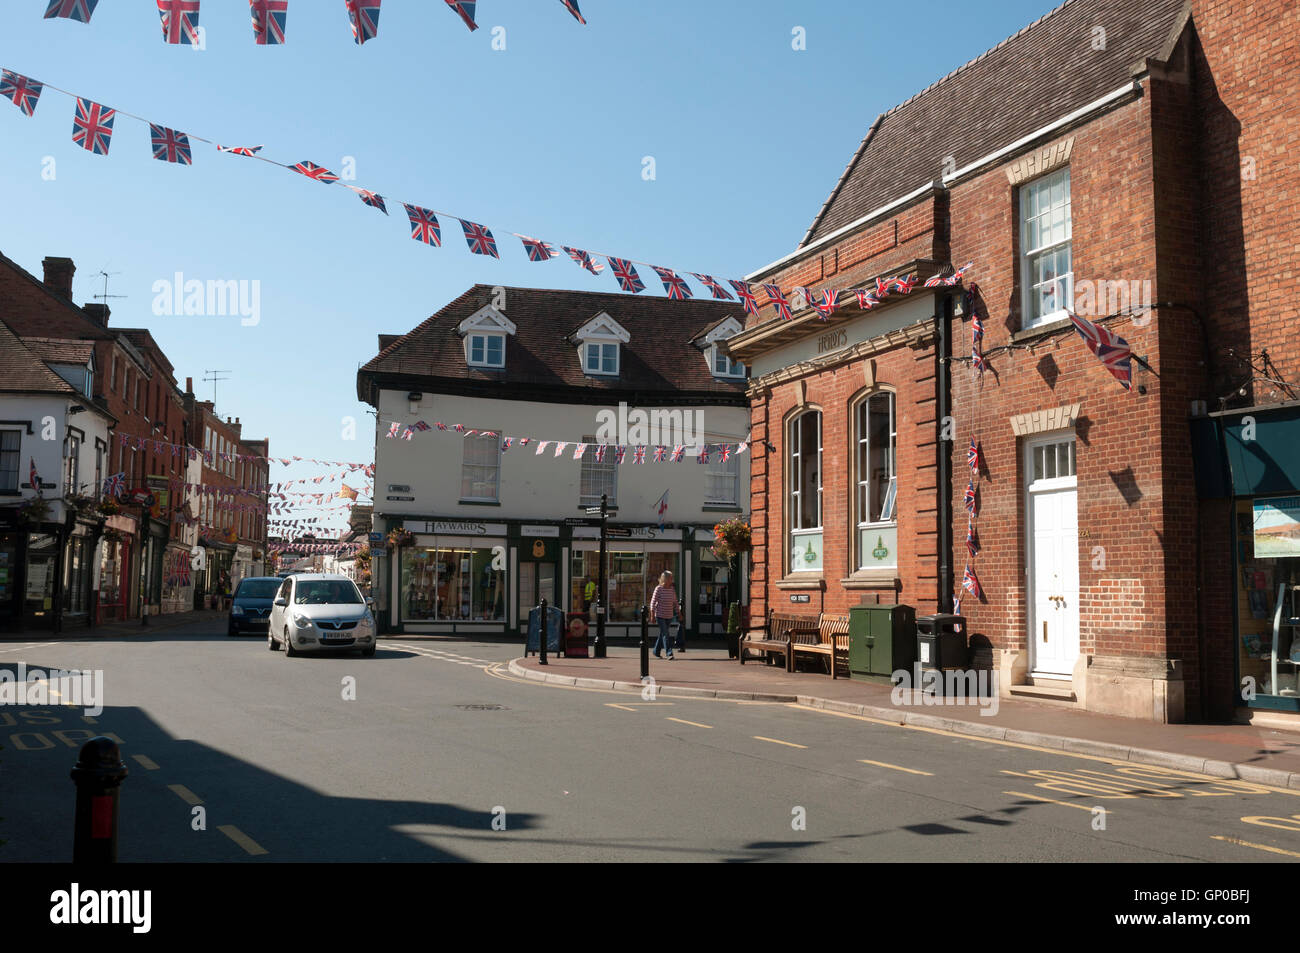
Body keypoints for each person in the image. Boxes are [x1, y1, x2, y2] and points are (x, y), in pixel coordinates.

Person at [650, 570, 682, 660]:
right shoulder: (658, 589)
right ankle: (669, 653)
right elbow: (652, 603)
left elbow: (675, 602)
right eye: (671, 578)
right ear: (666, 579)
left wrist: (679, 614)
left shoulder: (672, 589)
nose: (672, 580)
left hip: (669, 616)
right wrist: (652, 615)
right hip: (660, 616)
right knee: (666, 634)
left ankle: (656, 651)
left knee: (663, 634)